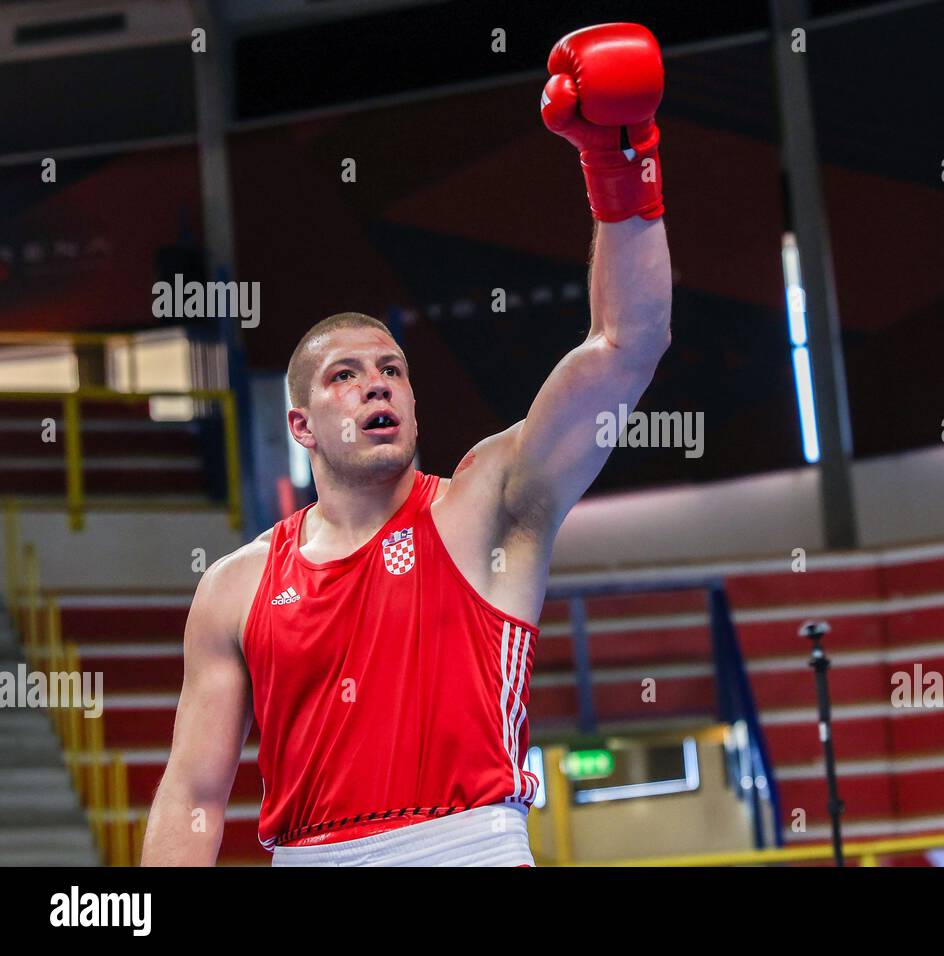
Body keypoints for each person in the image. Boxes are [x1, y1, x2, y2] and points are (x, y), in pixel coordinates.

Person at [141, 22, 671, 866]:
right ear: (301, 426)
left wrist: (622, 161)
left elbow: (624, 348)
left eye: (391, 369)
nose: (377, 383)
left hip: (469, 846)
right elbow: (195, 796)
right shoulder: (234, 588)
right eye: (345, 375)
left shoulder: (488, 504)